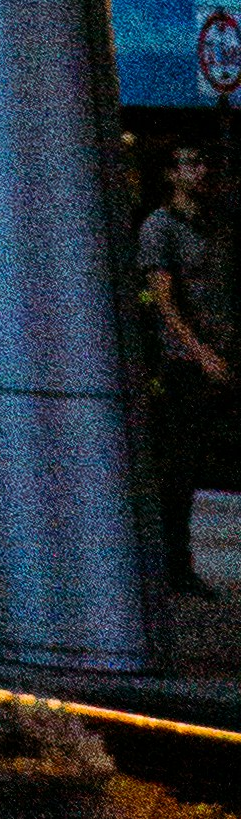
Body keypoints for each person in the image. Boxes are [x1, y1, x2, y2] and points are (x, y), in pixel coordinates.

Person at [136, 132, 235, 602]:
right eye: (190, 164)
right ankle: (172, 564)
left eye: (203, 164)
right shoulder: (161, 226)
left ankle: (174, 563)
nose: (201, 172)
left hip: (220, 354)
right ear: (171, 174)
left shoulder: (215, 225)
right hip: (185, 363)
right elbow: (164, 303)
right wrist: (201, 354)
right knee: (178, 467)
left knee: (193, 464)